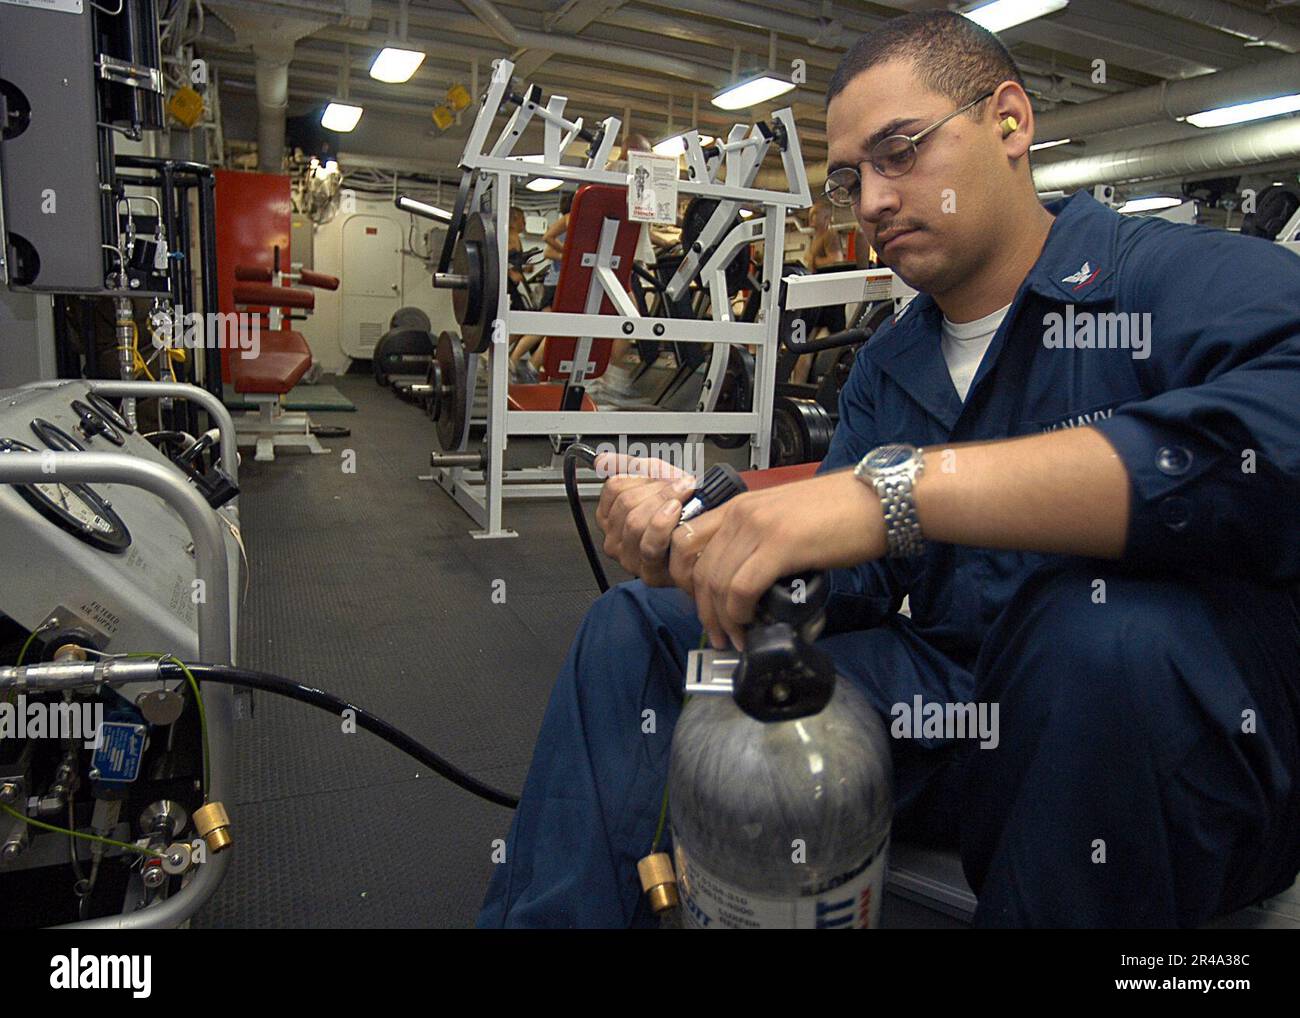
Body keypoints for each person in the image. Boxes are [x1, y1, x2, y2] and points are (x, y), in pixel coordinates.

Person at [479, 10, 1300, 928]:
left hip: (1158, 741)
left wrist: (899, 493)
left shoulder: (1169, 280)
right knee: (640, 627)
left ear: (1010, 122)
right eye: (850, 178)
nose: (870, 201)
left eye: (899, 152)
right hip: (949, 709)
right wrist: (709, 542)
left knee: (1098, 635)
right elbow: (859, 584)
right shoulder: (889, 363)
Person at [510, 191, 572, 382]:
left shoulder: (573, 225)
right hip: (557, 284)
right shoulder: (568, 223)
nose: (524, 223)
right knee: (554, 327)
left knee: (546, 326)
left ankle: (520, 362)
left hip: (557, 283)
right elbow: (548, 251)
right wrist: (571, 256)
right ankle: (525, 363)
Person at [791, 201, 852, 382]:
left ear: (826, 217)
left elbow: (836, 259)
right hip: (816, 298)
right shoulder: (816, 237)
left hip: (828, 300)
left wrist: (813, 262)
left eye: (815, 214)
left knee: (820, 346)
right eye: (811, 213)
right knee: (803, 347)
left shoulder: (829, 235)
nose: (811, 217)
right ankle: (797, 388)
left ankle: (808, 386)